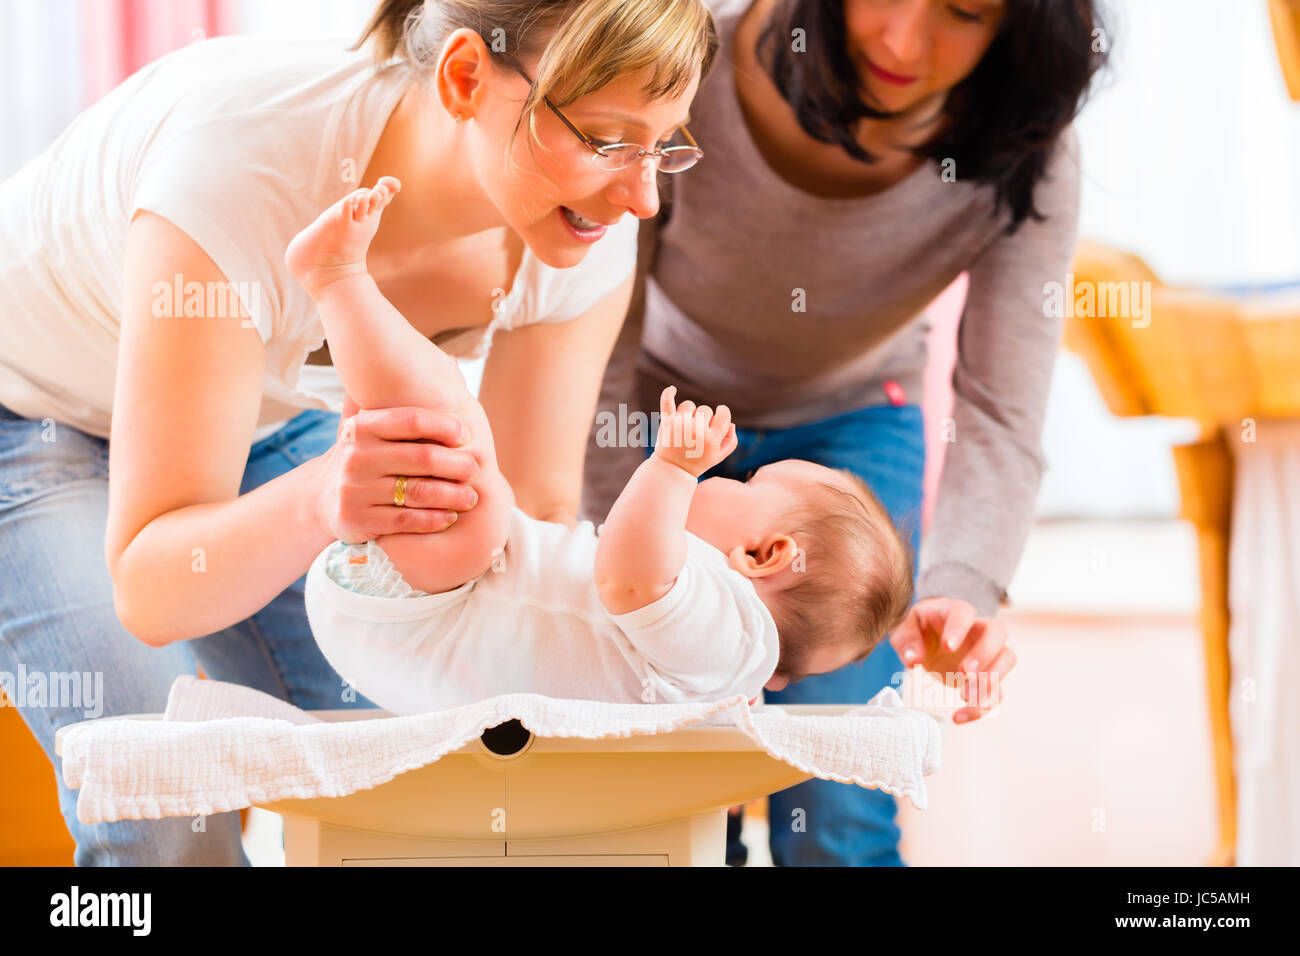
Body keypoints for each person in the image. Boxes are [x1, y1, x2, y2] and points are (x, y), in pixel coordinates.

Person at [0, 0, 715, 864]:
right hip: (29, 416)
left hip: (264, 417)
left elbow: (526, 526)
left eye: (665, 143)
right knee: (166, 808)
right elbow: (154, 592)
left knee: (409, 774)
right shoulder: (246, 166)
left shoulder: (584, 228)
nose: (642, 195)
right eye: (607, 139)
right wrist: (316, 498)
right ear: (463, 77)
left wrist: (669, 655)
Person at [581, 0, 1109, 865]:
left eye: (965, 13)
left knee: (841, 802)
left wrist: (962, 588)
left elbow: (1003, 406)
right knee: (657, 771)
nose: (903, 42)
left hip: (854, 427)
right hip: (660, 423)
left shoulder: (1027, 147)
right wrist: (609, 543)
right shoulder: (687, 67)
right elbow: (594, 340)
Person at [283, 175, 914, 712]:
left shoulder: (728, 634)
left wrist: (672, 467)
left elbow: (630, 579)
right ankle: (367, 387)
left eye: (750, 485)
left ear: (764, 554)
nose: (730, 476)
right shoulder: (719, 666)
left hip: (423, 619)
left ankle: (335, 280)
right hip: (417, 622)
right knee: (446, 452)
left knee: (460, 445)